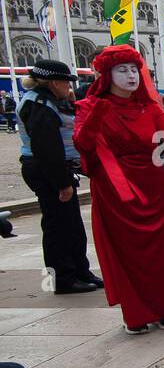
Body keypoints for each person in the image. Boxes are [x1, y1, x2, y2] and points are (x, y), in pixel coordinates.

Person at [73, 45, 164, 334]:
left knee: (160, 251)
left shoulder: (150, 107)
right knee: (127, 252)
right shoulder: (90, 107)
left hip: (152, 186)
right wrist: (97, 115)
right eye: (121, 70)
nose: (131, 76)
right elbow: (83, 147)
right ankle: (136, 312)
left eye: (134, 70)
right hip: (116, 190)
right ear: (106, 75)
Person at [17, 59, 102, 294]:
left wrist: (71, 103)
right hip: (47, 172)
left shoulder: (50, 101)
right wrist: (62, 184)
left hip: (58, 169)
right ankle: (63, 278)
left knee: (72, 225)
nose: (70, 87)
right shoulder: (39, 105)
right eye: (67, 83)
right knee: (58, 227)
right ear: (55, 82)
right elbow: (47, 148)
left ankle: (80, 271)